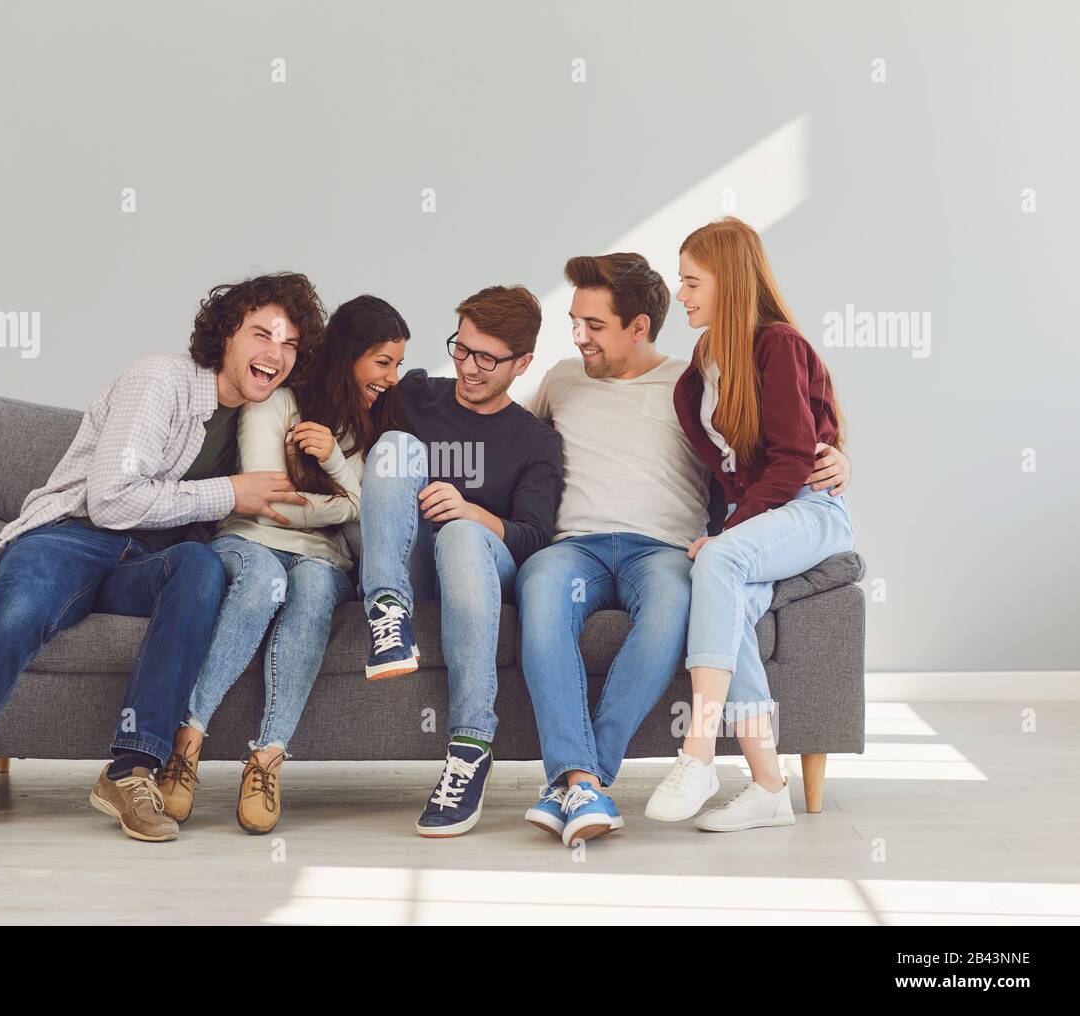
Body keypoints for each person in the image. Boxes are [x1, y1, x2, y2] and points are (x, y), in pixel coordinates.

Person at [0, 273, 326, 842]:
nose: (275, 354)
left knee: (200, 566)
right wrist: (231, 492)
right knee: (21, 607)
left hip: (146, 560)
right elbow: (112, 500)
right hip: (73, 534)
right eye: (262, 334)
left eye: (290, 344)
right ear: (226, 335)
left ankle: (131, 772)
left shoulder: (261, 416)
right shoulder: (161, 380)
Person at [518, 253, 852, 847]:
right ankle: (582, 778)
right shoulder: (562, 379)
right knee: (542, 591)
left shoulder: (692, 380)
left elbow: (775, 442)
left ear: (638, 326)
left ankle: (605, 775)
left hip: (664, 550)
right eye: (575, 322)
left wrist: (835, 452)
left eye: (594, 325)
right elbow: (507, 446)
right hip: (576, 550)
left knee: (681, 603)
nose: (579, 338)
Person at [156, 296, 410, 834]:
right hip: (249, 539)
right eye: (383, 362)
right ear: (349, 356)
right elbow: (271, 503)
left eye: (398, 365)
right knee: (265, 580)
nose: (392, 378)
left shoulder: (372, 426)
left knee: (317, 592)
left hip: (323, 558)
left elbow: (368, 507)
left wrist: (336, 463)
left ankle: (267, 760)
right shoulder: (273, 402)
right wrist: (339, 501)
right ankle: (187, 741)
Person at [643, 217, 855, 833]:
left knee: (718, 561)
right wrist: (730, 530)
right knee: (725, 601)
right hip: (764, 523)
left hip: (812, 511)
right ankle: (768, 785)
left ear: (728, 283)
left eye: (690, 282)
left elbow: (795, 458)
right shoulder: (698, 372)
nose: (680, 295)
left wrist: (731, 532)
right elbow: (727, 473)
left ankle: (699, 753)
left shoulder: (777, 344)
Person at [359, 285, 564, 837]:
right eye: (462, 349)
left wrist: (472, 512)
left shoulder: (535, 440)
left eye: (488, 359)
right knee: (395, 447)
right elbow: (340, 384)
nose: (470, 368)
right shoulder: (418, 394)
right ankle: (387, 613)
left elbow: (535, 537)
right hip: (409, 560)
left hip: (479, 564)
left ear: (522, 363)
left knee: (459, 535)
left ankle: (470, 748)